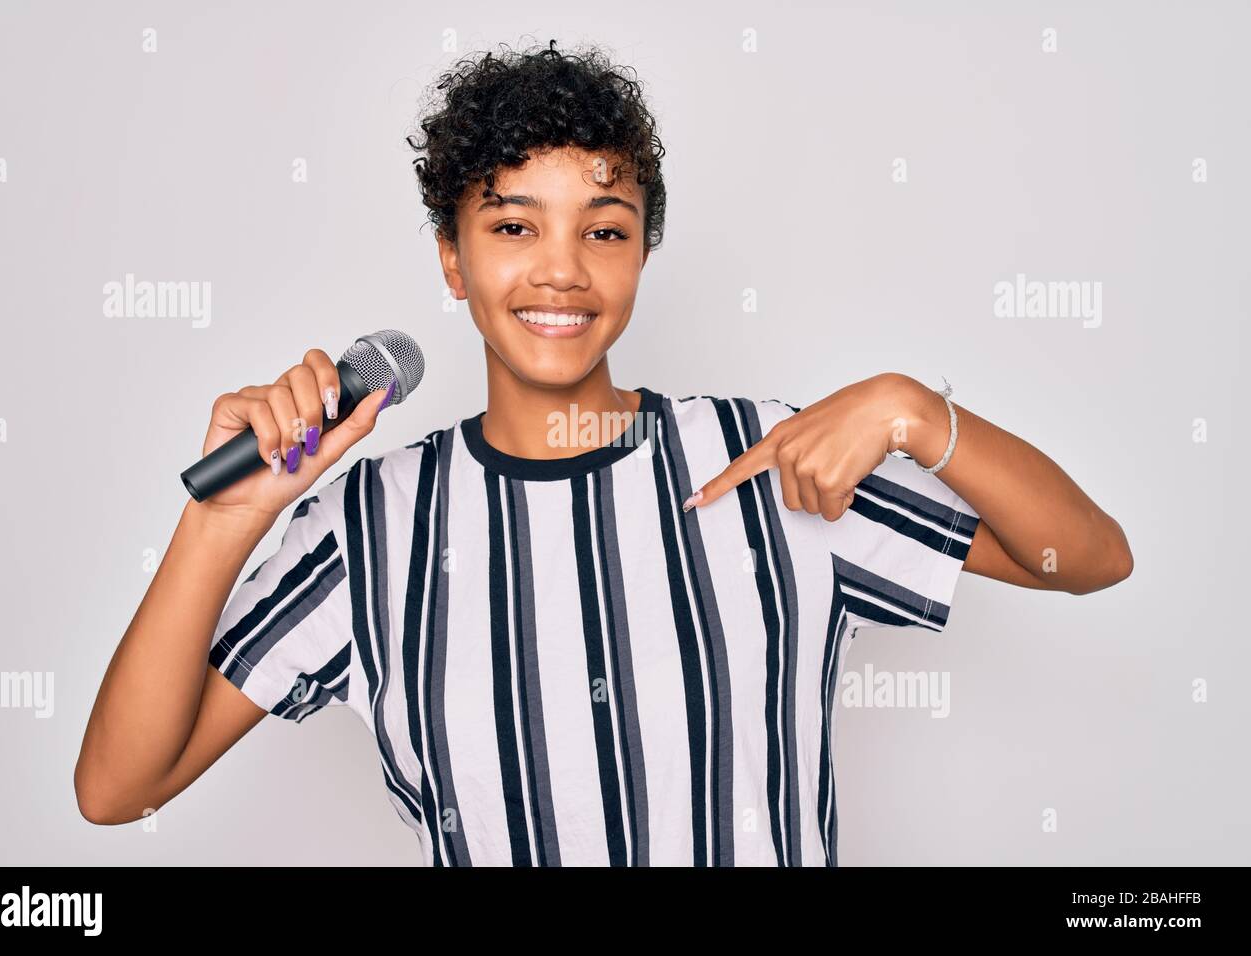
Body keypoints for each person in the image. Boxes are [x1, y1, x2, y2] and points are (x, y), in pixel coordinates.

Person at [74, 39, 1132, 866]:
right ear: (452, 257)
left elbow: (1085, 555)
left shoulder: (763, 462)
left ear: (641, 252)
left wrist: (911, 408)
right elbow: (119, 788)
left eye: (606, 229)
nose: (562, 272)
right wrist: (219, 524)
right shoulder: (368, 525)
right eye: (513, 227)